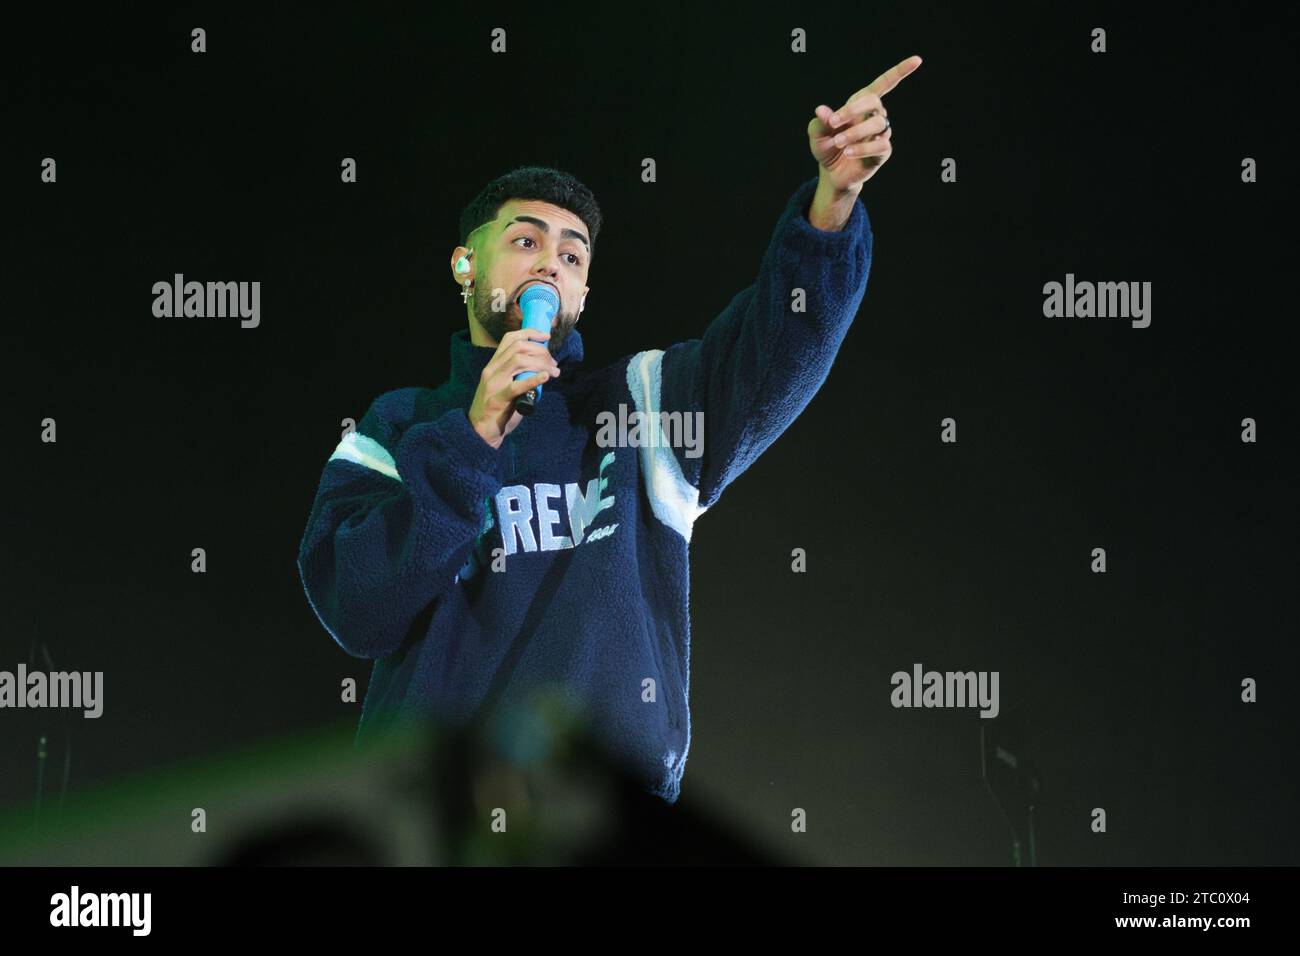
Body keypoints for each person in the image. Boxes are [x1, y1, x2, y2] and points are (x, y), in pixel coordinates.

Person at [296, 57, 921, 804]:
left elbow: (779, 349)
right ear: (466, 264)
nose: (551, 265)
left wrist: (833, 205)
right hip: (437, 816)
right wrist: (471, 437)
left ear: (583, 294)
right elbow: (357, 609)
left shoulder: (641, 405)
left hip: (608, 820)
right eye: (525, 242)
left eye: (571, 254)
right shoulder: (396, 425)